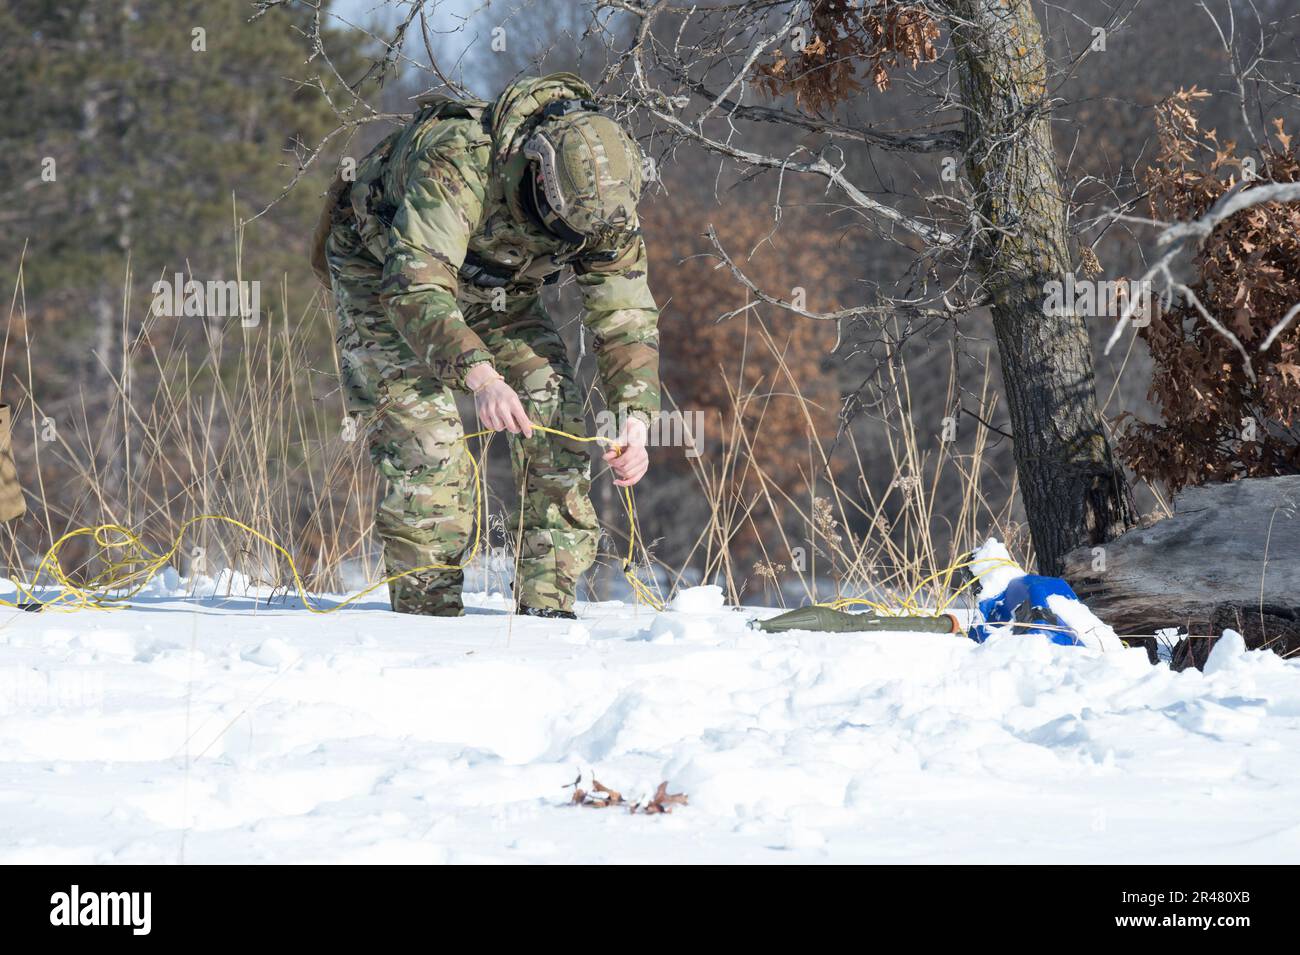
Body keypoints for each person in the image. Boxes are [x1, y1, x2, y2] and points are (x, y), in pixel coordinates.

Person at [315, 73, 659, 619]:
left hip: (500, 291)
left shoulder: (606, 199)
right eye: (563, 225)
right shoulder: (457, 161)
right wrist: (482, 377)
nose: (574, 241)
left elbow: (624, 317)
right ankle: (425, 618)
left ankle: (547, 612)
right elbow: (417, 286)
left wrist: (634, 418)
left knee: (560, 419)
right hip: (385, 274)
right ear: (539, 173)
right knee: (428, 442)